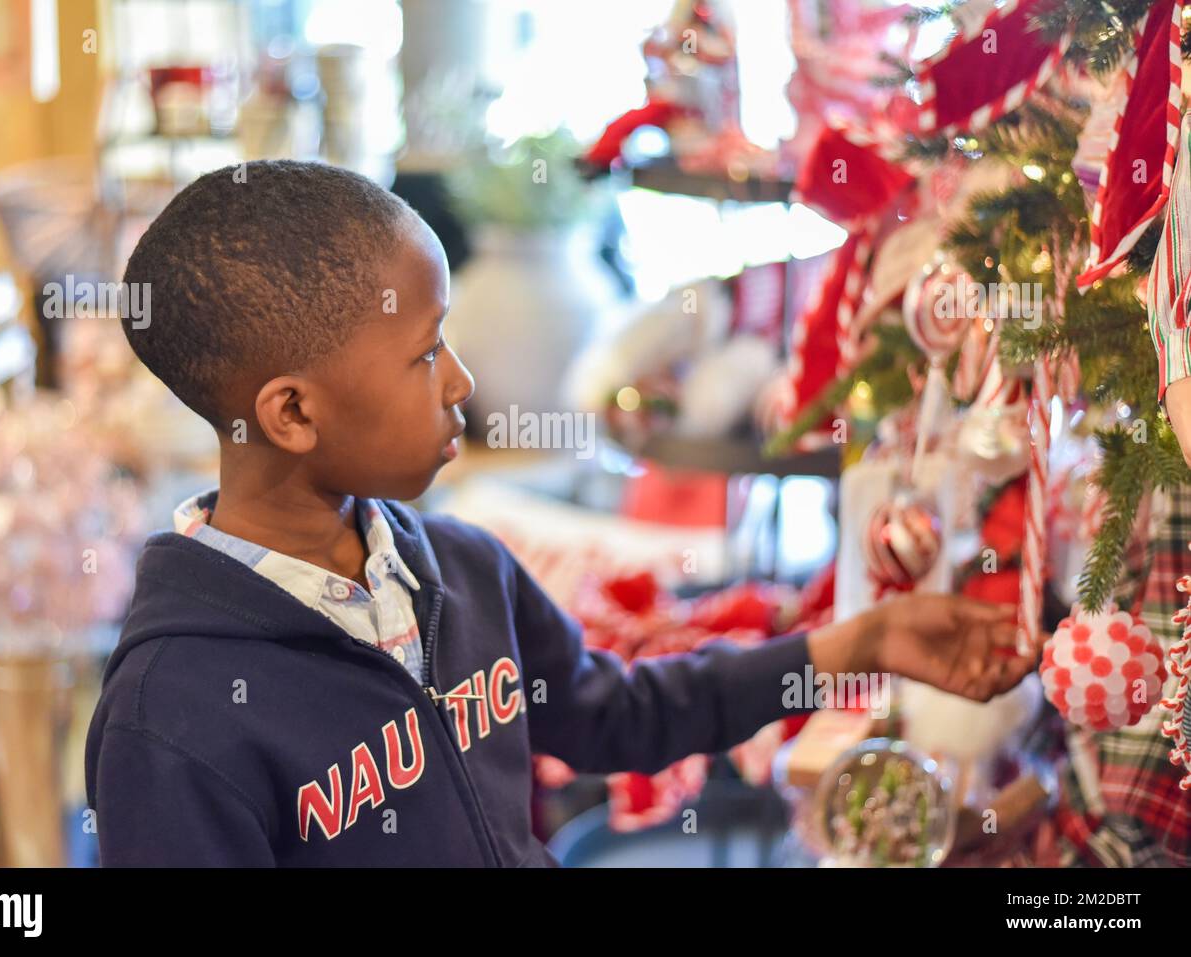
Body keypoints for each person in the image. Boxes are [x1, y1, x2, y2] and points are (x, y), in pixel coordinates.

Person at [84, 160, 1037, 866]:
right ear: (292, 412)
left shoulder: (459, 568)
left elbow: (616, 717)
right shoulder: (173, 714)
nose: (460, 379)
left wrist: (854, 645)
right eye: (424, 355)